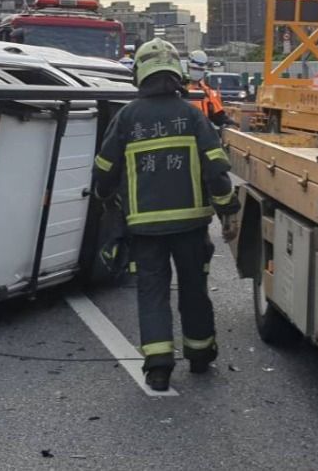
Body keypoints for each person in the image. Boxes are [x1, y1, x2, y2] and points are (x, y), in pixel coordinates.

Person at [92, 39, 240, 392]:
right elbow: (216, 170)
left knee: (152, 292)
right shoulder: (191, 115)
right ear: (177, 74)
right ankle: (200, 354)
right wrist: (228, 210)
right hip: (191, 226)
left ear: (140, 74)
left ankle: (158, 367)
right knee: (194, 289)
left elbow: (104, 170)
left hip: (144, 229)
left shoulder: (127, 117)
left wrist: (104, 197)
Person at [187, 50, 236, 128]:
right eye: (194, 68)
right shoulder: (179, 89)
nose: (197, 72)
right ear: (188, 67)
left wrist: (231, 123)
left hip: (201, 133)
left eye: (200, 70)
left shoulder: (207, 92)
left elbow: (218, 115)